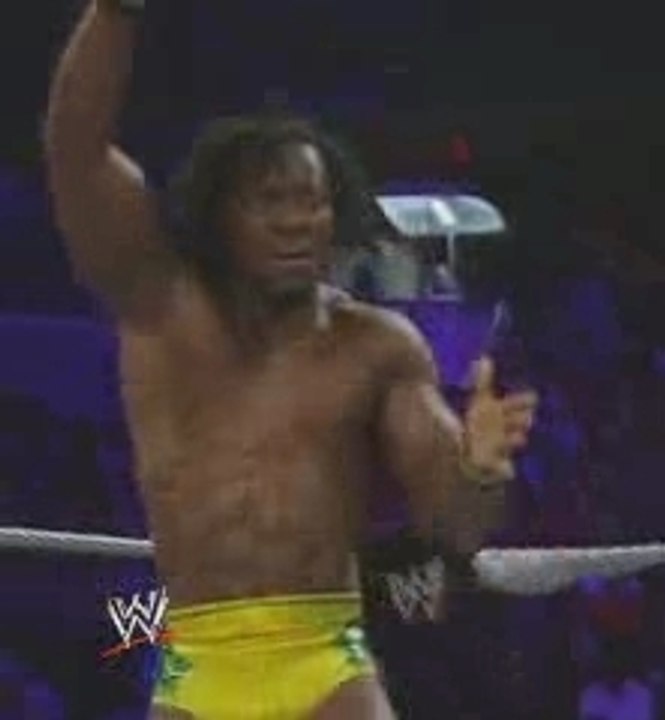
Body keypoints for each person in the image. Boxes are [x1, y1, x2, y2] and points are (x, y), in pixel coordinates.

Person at [44, 1, 538, 718]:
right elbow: (75, 151)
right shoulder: (161, 309)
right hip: (200, 658)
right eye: (270, 202)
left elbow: (457, 527)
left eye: (311, 202)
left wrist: (481, 468)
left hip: (325, 657)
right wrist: (116, 12)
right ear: (221, 216)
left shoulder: (375, 346)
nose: (296, 222)